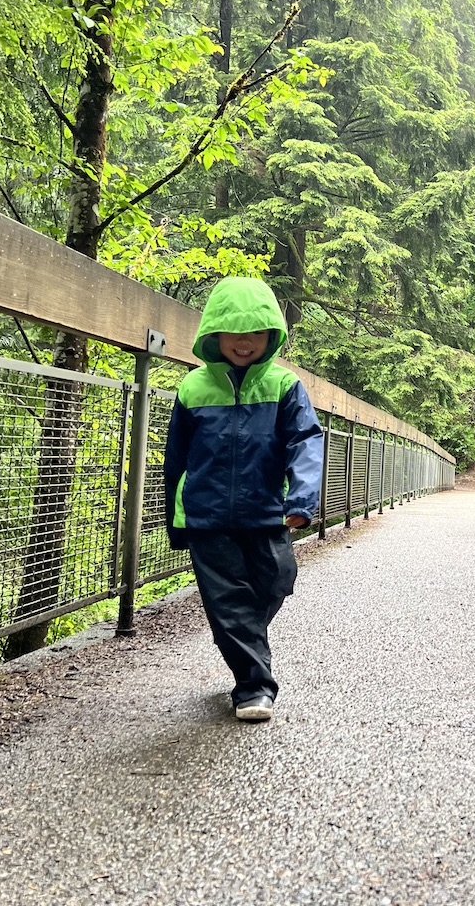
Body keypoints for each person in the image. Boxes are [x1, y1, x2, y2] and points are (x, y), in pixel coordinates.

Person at [164, 277, 324, 723]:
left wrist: (302, 498)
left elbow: (306, 442)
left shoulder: (284, 386)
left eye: (254, 332)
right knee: (227, 600)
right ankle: (253, 687)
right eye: (233, 332)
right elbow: (175, 458)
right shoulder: (193, 389)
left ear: (271, 335)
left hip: (266, 511)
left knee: (278, 579)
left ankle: (241, 638)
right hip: (206, 513)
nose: (243, 341)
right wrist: (174, 520)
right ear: (214, 334)